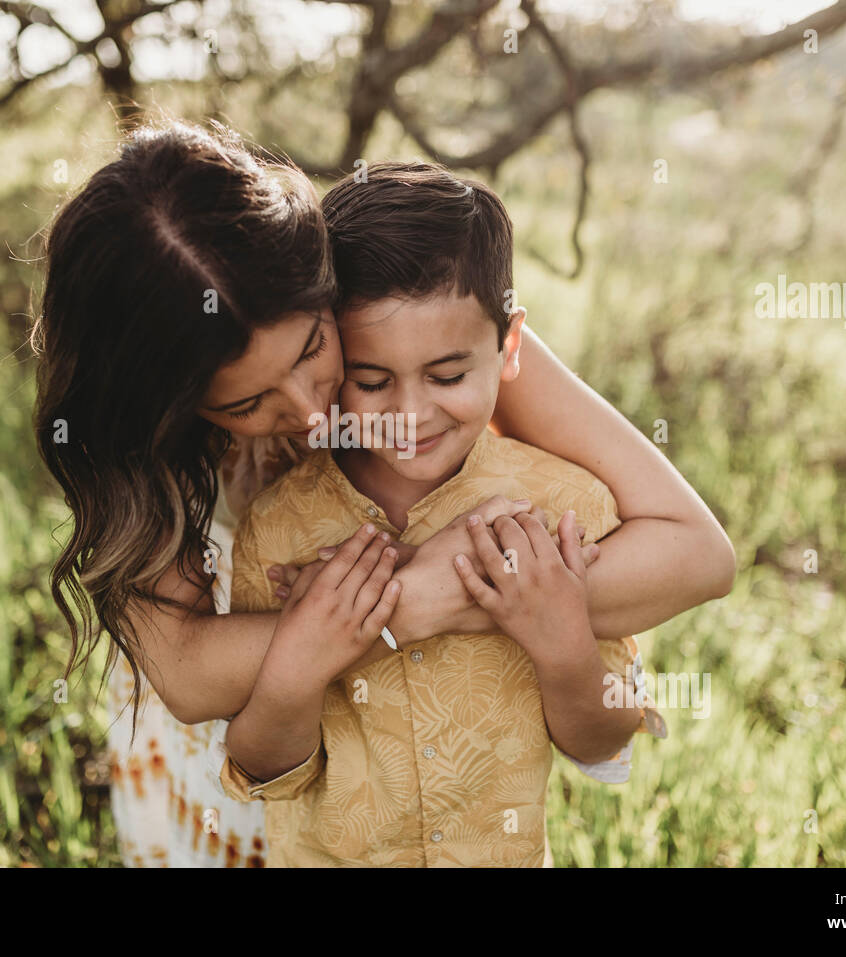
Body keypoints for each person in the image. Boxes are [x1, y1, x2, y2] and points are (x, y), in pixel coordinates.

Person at [31, 119, 734, 867]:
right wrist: (420, 595)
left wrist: (475, 591)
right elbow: (190, 674)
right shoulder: (130, 437)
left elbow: (696, 555)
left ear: (321, 283)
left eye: (312, 348)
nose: (310, 413)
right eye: (245, 404)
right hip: (243, 747)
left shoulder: (413, 322)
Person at [217, 162, 668, 866]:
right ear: (332, 355)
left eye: (448, 376)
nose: (409, 415)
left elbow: (605, 738)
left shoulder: (563, 510)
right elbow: (265, 769)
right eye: (371, 381)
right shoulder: (280, 530)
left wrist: (562, 643)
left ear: (508, 346)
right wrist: (301, 664)